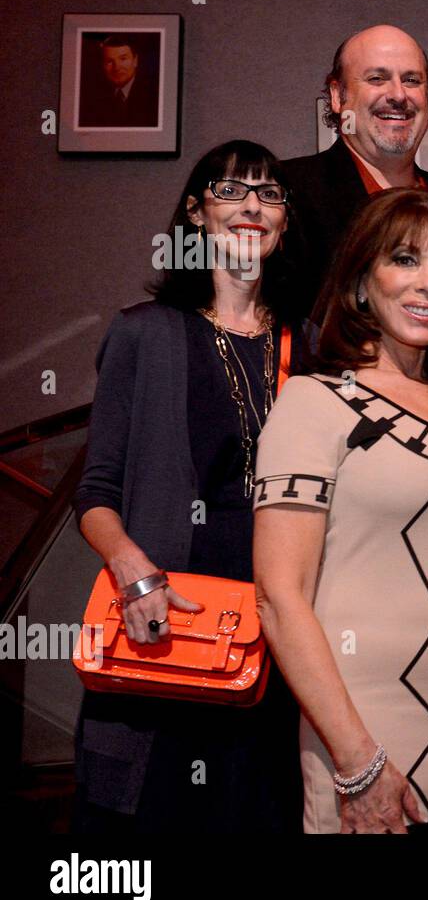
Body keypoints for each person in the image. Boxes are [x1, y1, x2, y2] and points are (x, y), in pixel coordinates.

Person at [252, 188, 428, 834]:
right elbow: (277, 596)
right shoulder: (314, 402)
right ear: (361, 280)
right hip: (371, 751)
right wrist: (358, 761)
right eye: (404, 260)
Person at [73, 139, 307, 832]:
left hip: (275, 638)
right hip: (166, 628)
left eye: (268, 194)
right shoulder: (142, 334)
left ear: (285, 223)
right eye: (231, 191)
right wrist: (133, 570)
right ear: (197, 212)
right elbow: (97, 490)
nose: (252, 206)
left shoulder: (311, 342)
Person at [280, 24, 428, 317]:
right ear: (337, 95)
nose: (398, 95)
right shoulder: (286, 193)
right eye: (377, 78)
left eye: (411, 80)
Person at [79, 35, 159, 128]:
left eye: (123, 59)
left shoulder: (154, 96)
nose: (117, 67)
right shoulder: (93, 99)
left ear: (135, 61)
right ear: (102, 65)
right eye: (109, 61)